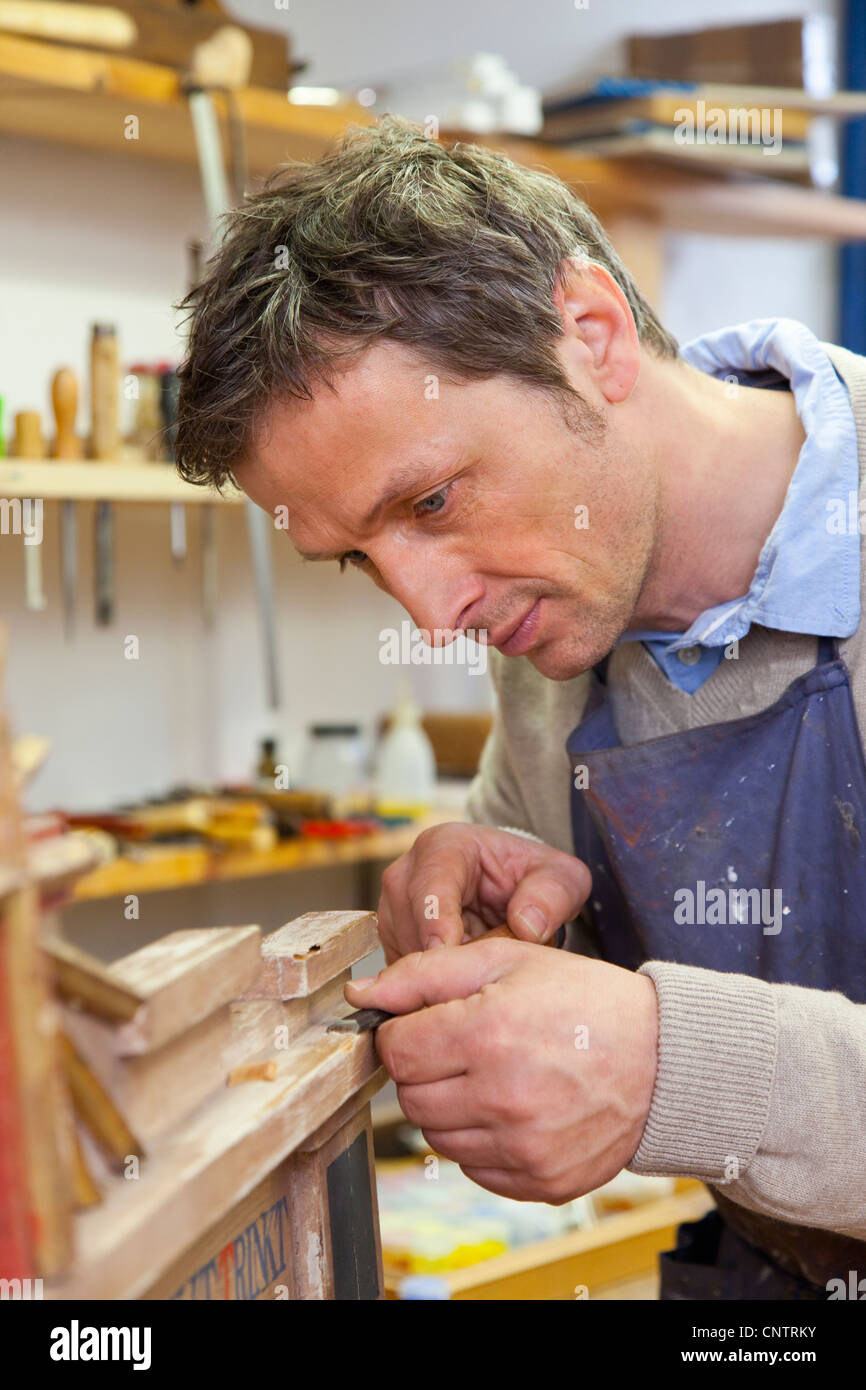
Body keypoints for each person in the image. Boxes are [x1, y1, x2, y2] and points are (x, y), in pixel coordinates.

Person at [175, 117, 866, 1300]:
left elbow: (679, 1055)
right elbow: (591, 954)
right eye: (358, 557)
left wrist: (672, 1068)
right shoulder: (551, 619)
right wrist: (522, 925)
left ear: (590, 335)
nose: (433, 613)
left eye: (433, 499)